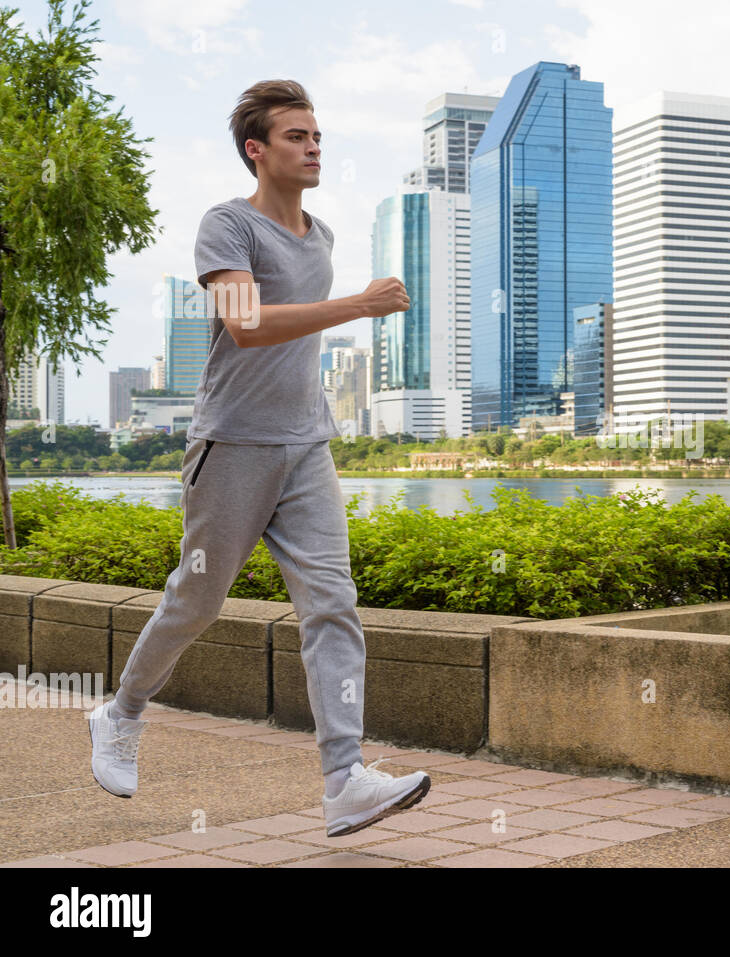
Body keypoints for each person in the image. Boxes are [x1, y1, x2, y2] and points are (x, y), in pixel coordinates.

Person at [87, 79, 430, 837]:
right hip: (233, 444)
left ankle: (344, 778)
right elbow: (244, 324)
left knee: (333, 604)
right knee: (197, 600)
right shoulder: (227, 225)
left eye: (317, 137)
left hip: (307, 445)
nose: (313, 148)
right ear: (257, 149)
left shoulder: (325, 237)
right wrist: (359, 306)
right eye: (297, 137)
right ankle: (121, 712)